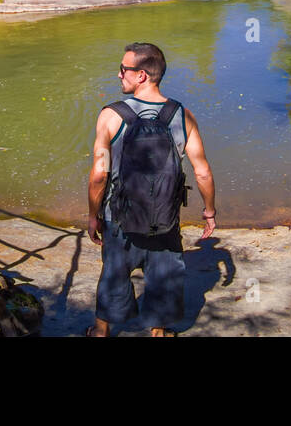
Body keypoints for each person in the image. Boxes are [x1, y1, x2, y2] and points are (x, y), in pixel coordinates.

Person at [87, 42, 216, 337]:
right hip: (165, 217)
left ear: (141, 75)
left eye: (124, 69)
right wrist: (209, 211)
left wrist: (94, 215)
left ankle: (101, 331)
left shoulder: (110, 115)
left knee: (114, 273)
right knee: (164, 274)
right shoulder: (182, 115)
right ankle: (157, 332)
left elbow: (98, 174)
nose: (119, 75)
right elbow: (203, 172)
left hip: (119, 216)